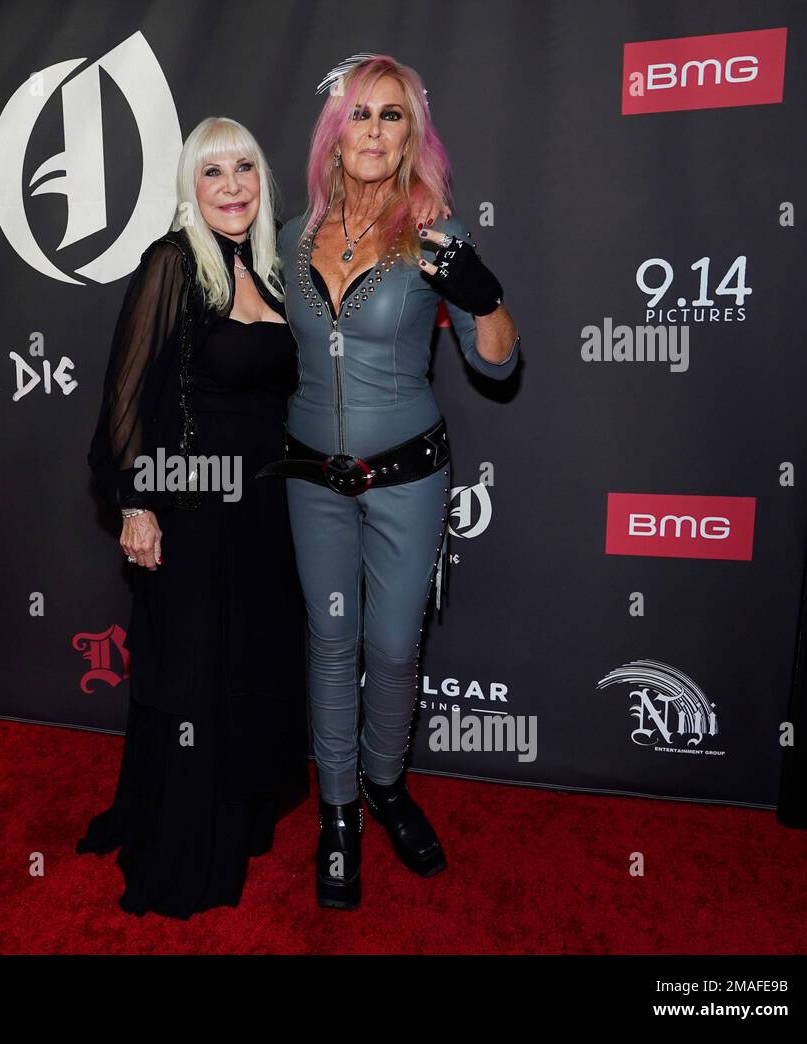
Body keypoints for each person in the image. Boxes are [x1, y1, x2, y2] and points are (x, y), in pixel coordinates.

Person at [262, 54, 521, 909]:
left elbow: (500, 364)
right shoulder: (293, 234)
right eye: (360, 115)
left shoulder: (435, 237)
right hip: (309, 477)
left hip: (407, 480)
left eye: (392, 116)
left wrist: (483, 300)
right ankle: (339, 814)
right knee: (331, 644)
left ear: (414, 135)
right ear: (334, 135)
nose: (373, 131)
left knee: (391, 648)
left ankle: (384, 786)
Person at [78, 117, 310, 919]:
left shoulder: (275, 270)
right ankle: (186, 832)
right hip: (196, 500)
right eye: (213, 173)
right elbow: (125, 393)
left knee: (250, 659)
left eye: (246, 167)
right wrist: (136, 501)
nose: (234, 185)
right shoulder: (174, 263)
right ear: (191, 188)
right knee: (195, 669)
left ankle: (243, 806)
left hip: (270, 506)